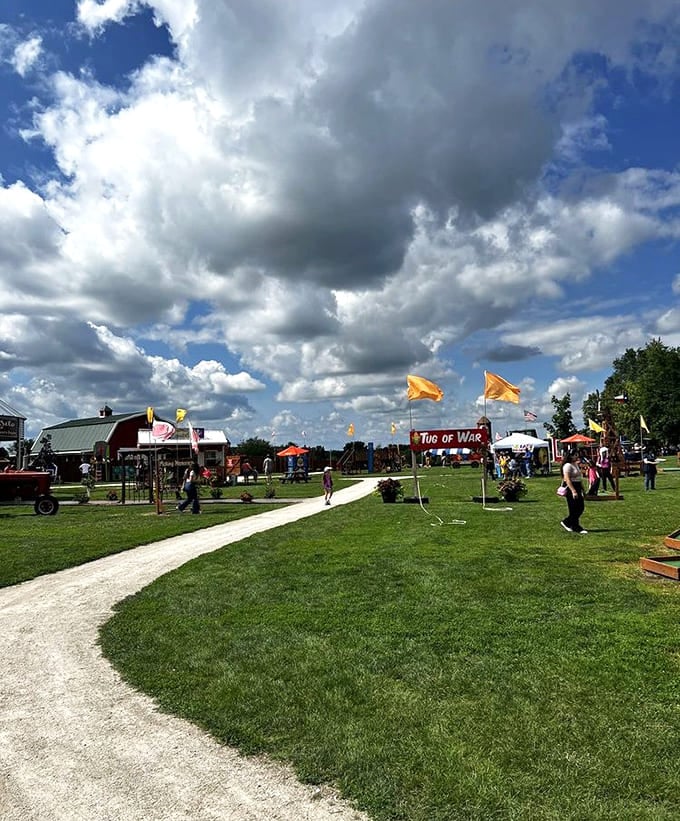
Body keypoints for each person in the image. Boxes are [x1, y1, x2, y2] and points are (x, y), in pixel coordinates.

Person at [560, 451, 587, 534]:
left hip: (578, 485)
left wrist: (583, 489)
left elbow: (579, 478)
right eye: (575, 455)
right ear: (570, 456)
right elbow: (567, 479)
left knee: (580, 507)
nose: (577, 456)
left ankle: (568, 522)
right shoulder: (567, 466)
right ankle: (574, 525)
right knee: (574, 508)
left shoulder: (575, 464)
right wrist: (573, 491)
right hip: (571, 487)